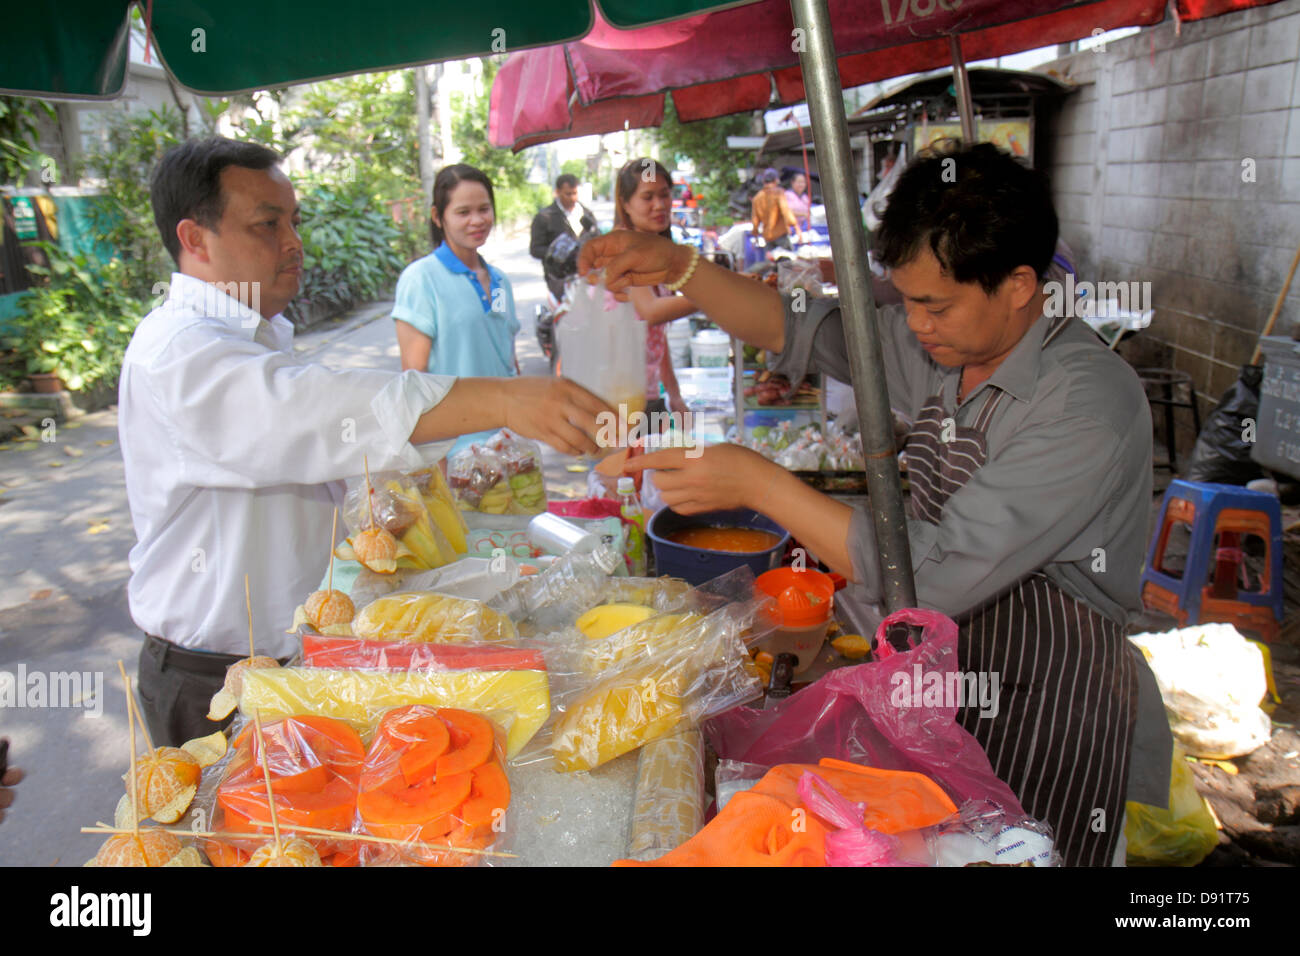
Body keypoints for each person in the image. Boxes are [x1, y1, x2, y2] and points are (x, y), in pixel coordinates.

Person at [580, 141, 1171, 867]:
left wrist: (762, 485)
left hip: (1049, 703)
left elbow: (940, 573)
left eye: (935, 304)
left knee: (1027, 853)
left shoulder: (1086, 403)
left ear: (1020, 285)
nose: (916, 324)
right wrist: (679, 267)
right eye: (906, 301)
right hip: (947, 685)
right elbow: (799, 327)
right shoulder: (945, 346)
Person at [122, 137, 610, 747]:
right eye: (267, 224)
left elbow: (324, 456)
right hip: (209, 678)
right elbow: (313, 410)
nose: (293, 242)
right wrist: (509, 399)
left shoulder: (255, 333)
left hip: (289, 655)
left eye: (293, 221)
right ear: (195, 239)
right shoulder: (179, 353)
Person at [393, 164, 522, 457]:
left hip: (508, 446)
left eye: (484, 209)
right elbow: (415, 382)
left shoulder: (500, 281)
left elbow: (507, 356)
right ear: (438, 217)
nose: (477, 220)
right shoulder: (421, 279)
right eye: (463, 212)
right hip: (456, 455)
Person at [613, 158, 693, 419]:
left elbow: (657, 335)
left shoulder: (656, 252)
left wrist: (674, 394)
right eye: (647, 197)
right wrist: (718, 296)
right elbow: (651, 311)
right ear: (626, 204)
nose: (659, 205)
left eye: (664, 195)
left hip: (644, 396)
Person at [530, 173, 599, 300]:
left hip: (587, 274)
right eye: (568, 194)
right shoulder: (544, 217)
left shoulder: (587, 214)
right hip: (559, 277)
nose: (573, 198)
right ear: (557, 192)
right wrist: (557, 253)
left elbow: (598, 240)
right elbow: (535, 249)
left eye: (575, 193)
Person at [751, 167, 805, 252]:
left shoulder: (757, 198)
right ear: (776, 180)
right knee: (786, 261)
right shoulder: (778, 193)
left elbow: (755, 220)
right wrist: (796, 228)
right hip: (780, 235)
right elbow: (786, 211)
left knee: (770, 263)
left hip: (767, 237)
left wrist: (755, 235)